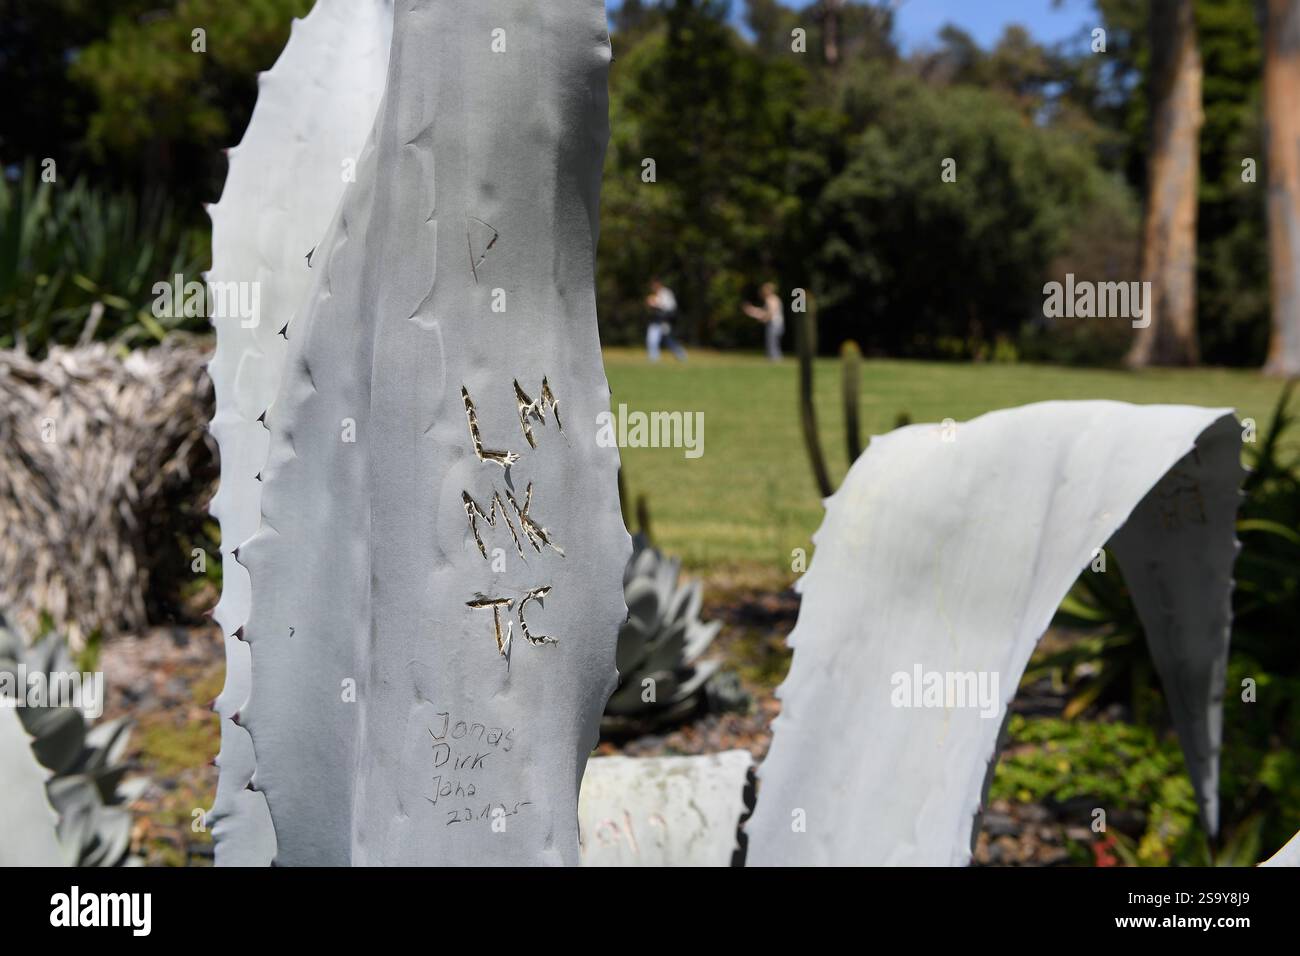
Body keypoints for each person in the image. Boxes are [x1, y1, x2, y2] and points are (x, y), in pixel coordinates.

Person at [645, 278, 687, 362]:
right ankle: (653, 358)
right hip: (656, 320)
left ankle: (680, 353)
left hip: (665, 320)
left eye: (654, 286)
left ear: (658, 284)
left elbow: (669, 307)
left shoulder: (665, 293)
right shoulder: (657, 294)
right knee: (652, 339)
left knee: (668, 339)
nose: (653, 288)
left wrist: (654, 303)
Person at [743, 282, 784, 361]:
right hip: (776, 324)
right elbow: (765, 312)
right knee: (774, 343)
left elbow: (770, 313)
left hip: (774, 324)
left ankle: (775, 359)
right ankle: (775, 359)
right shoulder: (773, 299)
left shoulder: (771, 299)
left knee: (772, 343)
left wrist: (761, 318)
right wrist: (753, 311)